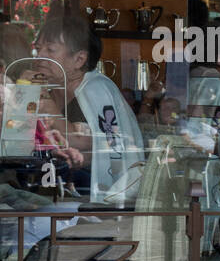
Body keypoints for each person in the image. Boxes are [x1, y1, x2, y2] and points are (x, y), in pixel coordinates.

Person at [31, 13, 145, 206]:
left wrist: (43, 101)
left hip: (99, 202)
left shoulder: (97, 89)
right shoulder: (51, 88)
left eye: (50, 49)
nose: (40, 56)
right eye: (38, 48)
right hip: (57, 194)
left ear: (79, 59)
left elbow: (83, 142)